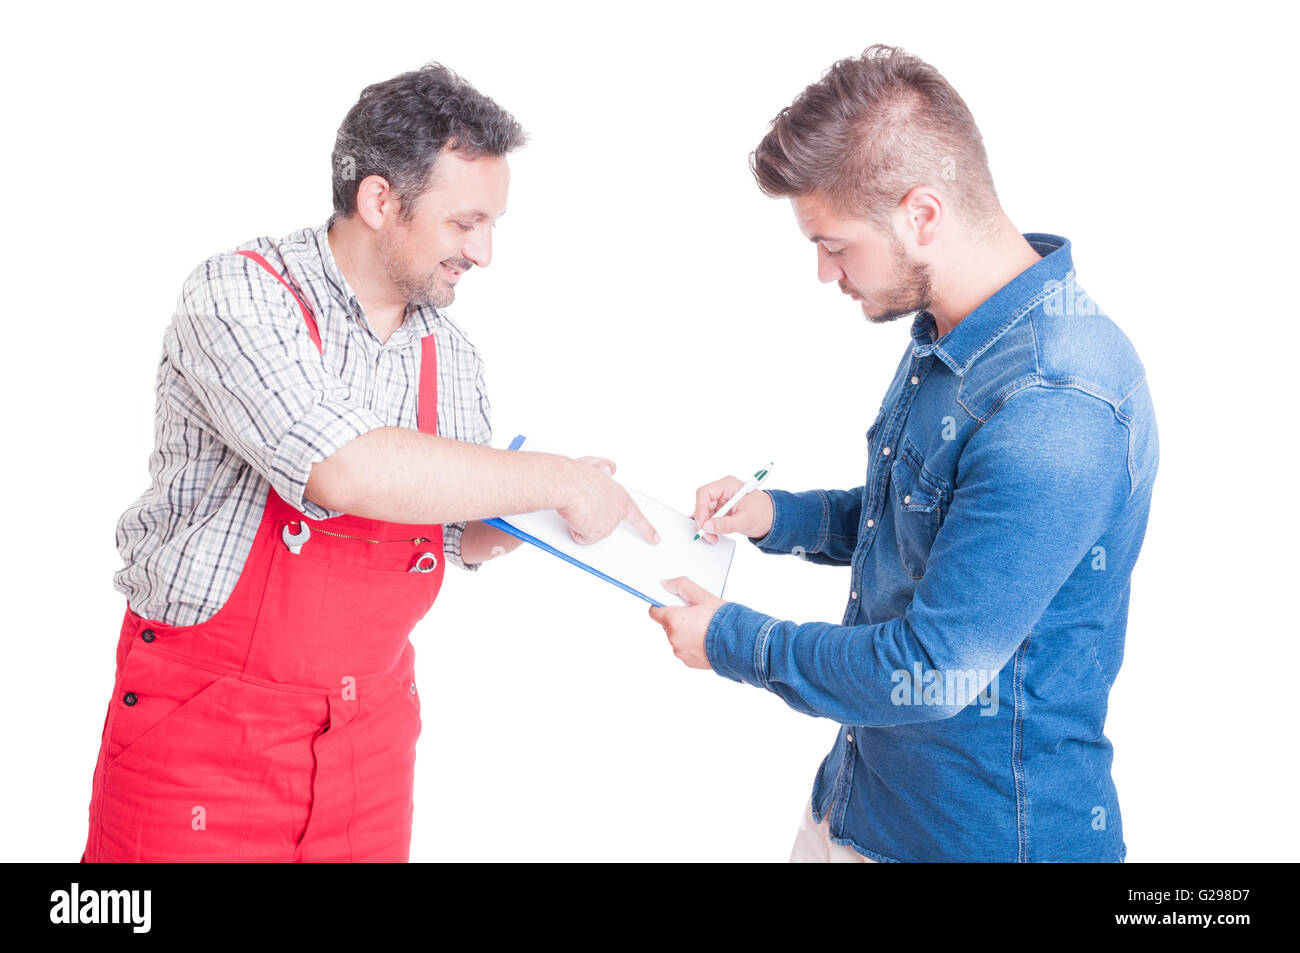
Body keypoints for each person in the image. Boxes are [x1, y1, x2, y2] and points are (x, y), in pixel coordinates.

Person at [83, 62, 658, 863]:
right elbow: (341, 469)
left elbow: (454, 534)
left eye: (494, 224)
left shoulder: (451, 357)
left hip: (369, 744)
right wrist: (554, 477)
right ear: (380, 200)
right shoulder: (239, 296)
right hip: (204, 734)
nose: (485, 252)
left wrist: (543, 514)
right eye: (465, 223)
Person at [649, 44, 1158, 862]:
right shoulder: (956, 330)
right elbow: (915, 524)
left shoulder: (1055, 405)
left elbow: (930, 666)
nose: (824, 272)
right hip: (858, 806)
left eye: (835, 244)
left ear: (923, 215)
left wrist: (730, 641)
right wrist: (780, 514)